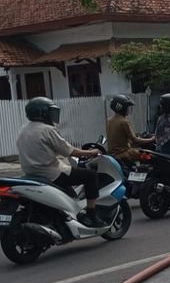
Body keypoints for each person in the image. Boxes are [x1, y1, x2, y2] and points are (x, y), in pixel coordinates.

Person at [16, 96, 106, 227]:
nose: (53, 116)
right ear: (43, 113)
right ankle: (91, 215)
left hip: (30, 173)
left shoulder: (23, 129)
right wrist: (92, 152)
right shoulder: (47, 130)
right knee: (90, 176)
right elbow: (69, 151)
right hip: (51, 173)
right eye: (51, 112)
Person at [105, 94, 153, 163]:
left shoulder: (109, 120)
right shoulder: (124, 121)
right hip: (124, 154)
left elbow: (120, 138)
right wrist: (151, 139)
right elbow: (135, 140)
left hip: (113, 154)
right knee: (150, 156)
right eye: (127, 107)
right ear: (121, 108)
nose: (128, 110)